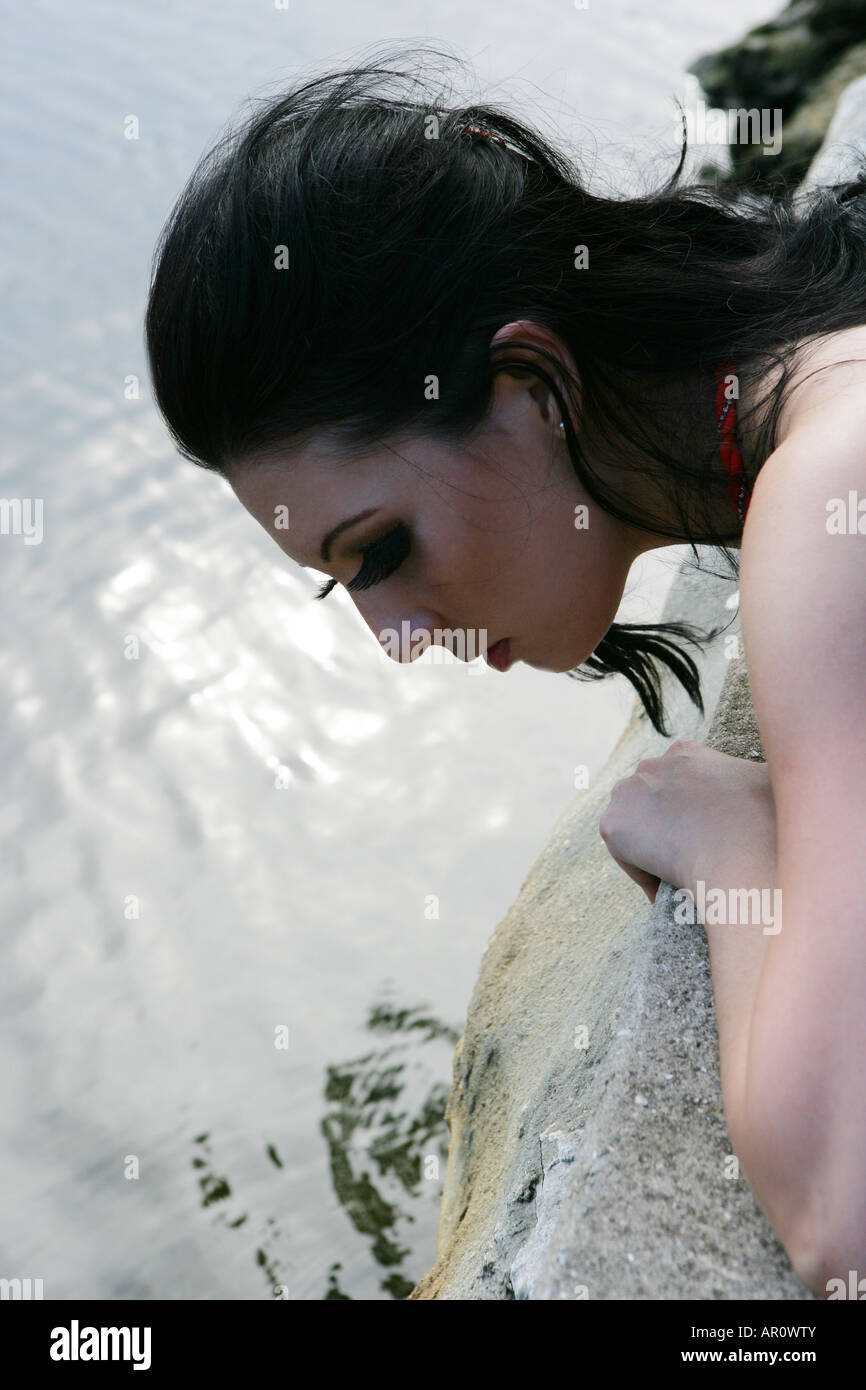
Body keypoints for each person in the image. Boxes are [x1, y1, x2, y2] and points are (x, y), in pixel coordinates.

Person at [145, 46, 866, 1297]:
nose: (397, 634)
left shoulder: (828, 493)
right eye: (346, 581)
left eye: (378, 549)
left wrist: (732, 841)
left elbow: (844, 1208)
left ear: (530, 380)